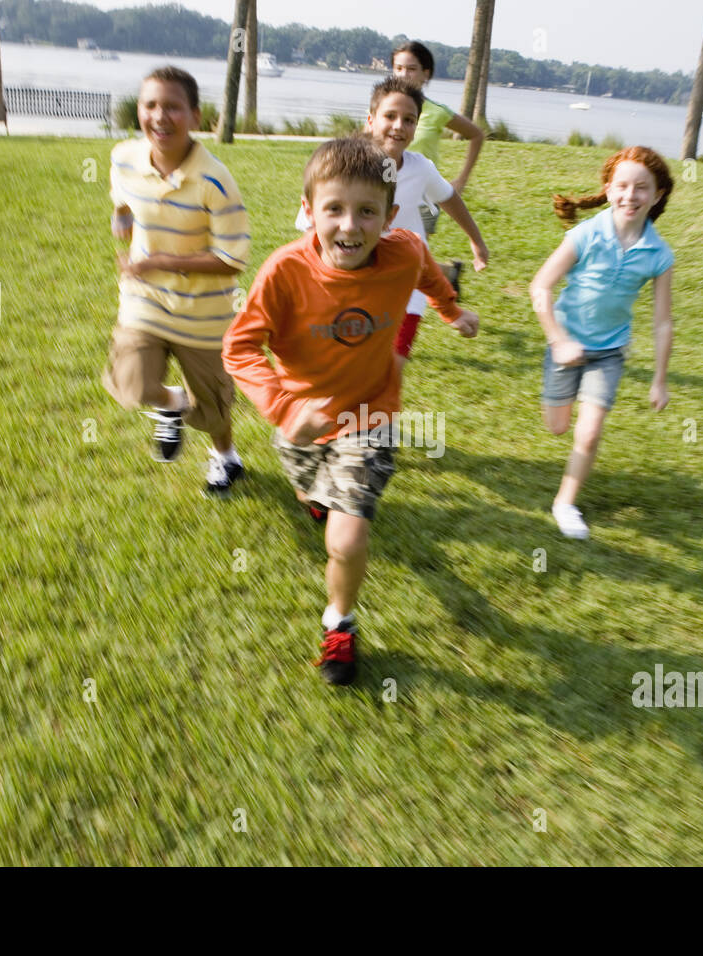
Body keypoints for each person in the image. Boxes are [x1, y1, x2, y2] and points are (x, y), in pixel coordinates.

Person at [224, 136, 481, 685]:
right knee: (307, 487)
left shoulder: (405, 250)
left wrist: (451, 311)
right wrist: (283, 408)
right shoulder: (284, 271)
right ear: (309, 210)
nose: (350, 225)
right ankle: (319, 497)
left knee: (346, 539)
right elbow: (239, 347)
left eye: (367, 212)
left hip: (370, 414)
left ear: (389, 216)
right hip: (300, 421)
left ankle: (339, 622)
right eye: (334, 209)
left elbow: (429, 272)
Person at [103, 66, 251, 496]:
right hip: (144, 298)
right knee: (133, 382)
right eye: (150, 105)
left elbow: (232, 259)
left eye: (172, 107)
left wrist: (163, 260)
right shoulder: (123, 157)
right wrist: (122, 221)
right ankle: (172, 405)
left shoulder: (215, 179)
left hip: (203, 311)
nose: (159, 116)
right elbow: (121, 198)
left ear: (195, 116)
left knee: (215, 405)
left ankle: (226, 459)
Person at [529, 146, 676, 540]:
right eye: (622, 186)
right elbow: (541, 286)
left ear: (658, 195)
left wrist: (659, 380)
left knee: (589, 432)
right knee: (558, 427)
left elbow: (663, 323)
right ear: (609, 190)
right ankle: (562, 405)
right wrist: (558, 341)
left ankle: (566, 503)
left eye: (641, 188)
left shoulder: (659, 254)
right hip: (566, 344)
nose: (631, 196)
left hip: (608, 353)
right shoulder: (586, 235)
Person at [295, 76, 489, 370]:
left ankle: (380, 416)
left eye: (409, 120)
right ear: (370, 120)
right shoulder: (340, 168)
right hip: (352, 282)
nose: (399, 126)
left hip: (406, 280)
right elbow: (312, 228)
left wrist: (476, 241)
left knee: (393, 366)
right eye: (390, 116)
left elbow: (449, 198)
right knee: (345, 363)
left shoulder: (421, 168)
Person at [392, 41, 485, 198]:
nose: (403, 74)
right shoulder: (380, 109)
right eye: (399, 68)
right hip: (385, 196)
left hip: (424, 201)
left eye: (411, 69)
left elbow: (477, 135)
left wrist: (461, 180)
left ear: (425, 74)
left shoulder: (437, 112)